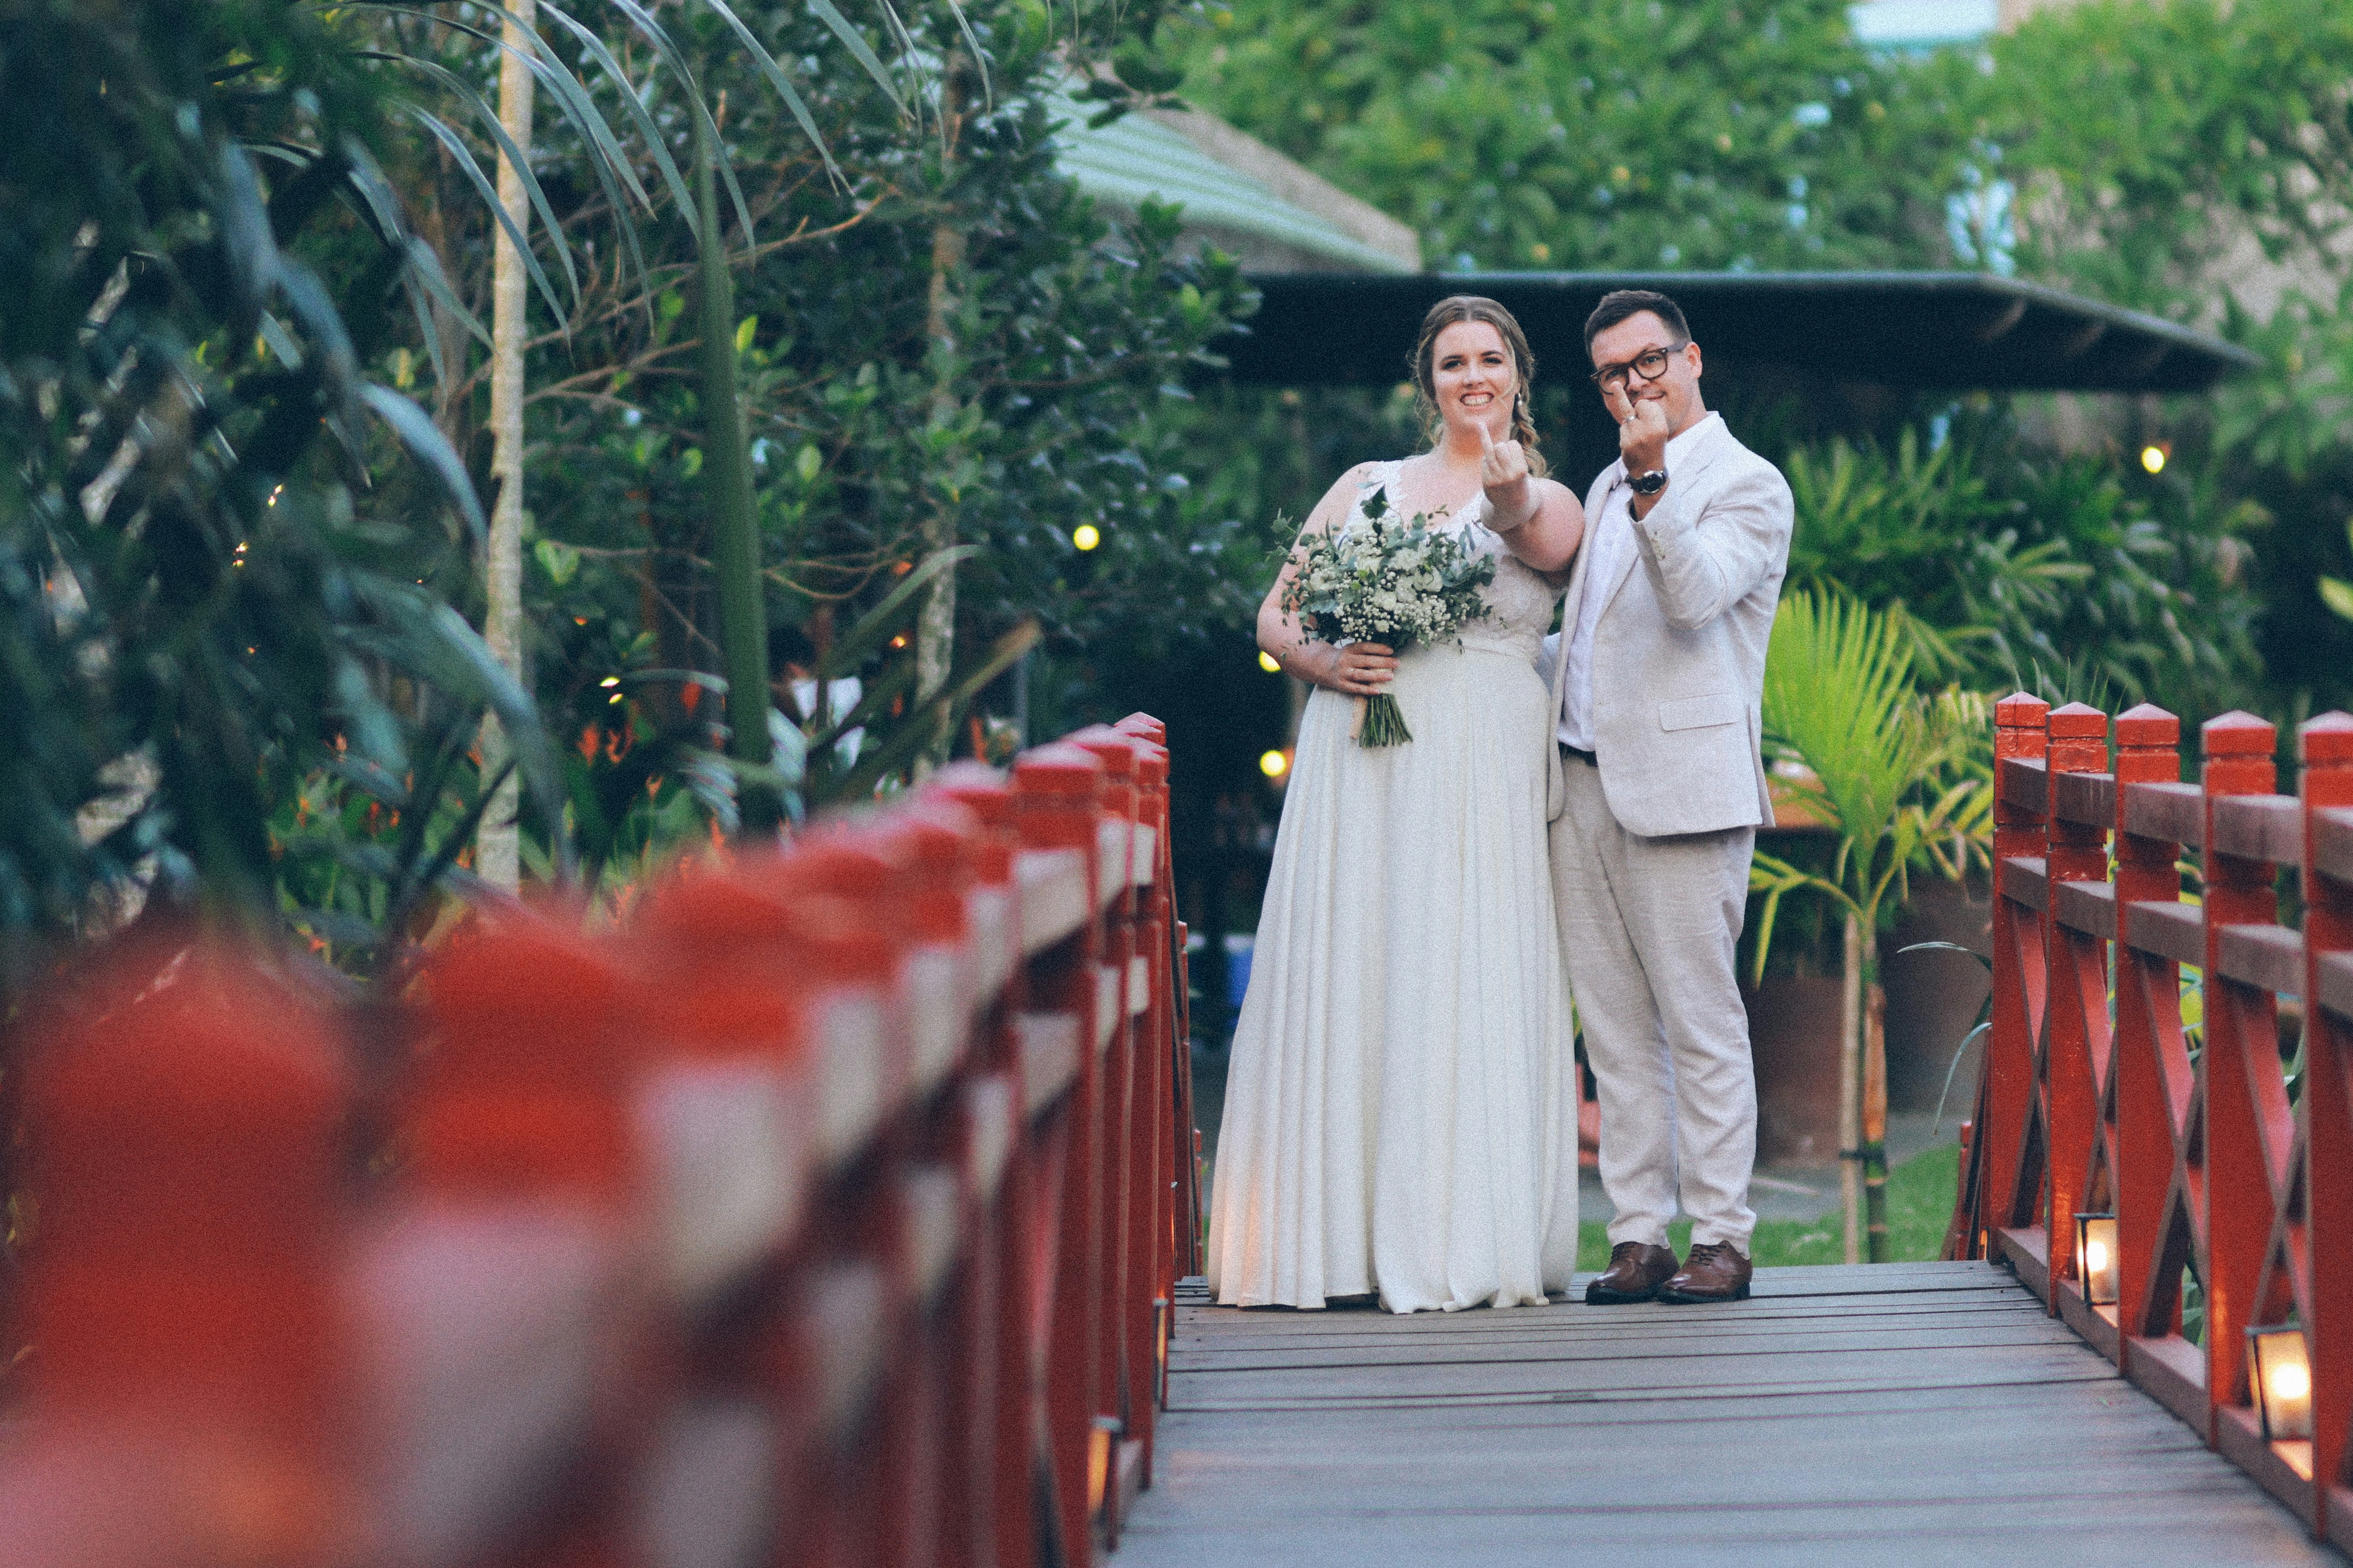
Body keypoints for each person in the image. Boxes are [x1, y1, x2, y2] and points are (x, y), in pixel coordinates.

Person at [1207, 297, 1586, 1313]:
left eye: (1490, 359)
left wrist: (1503, 482)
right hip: (1366, 743)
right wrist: (1331, 659)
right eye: (1454, 361)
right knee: (1367, 955)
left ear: (1517, 373)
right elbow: (1274, 614)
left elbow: (1537, 547)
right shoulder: (1365, 485)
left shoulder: (1548, 496)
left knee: (1459, 959)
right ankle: (1335, 1234)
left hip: (1482, 759)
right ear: (1428, 382)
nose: (1473, 376)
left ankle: (1457, 1227)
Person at [1543, 288, 1794, 1305]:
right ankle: (1638, 1233)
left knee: (1700, 1020)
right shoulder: (1602, 485)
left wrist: (1653, 483)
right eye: (1611, 371)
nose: (1632, 384)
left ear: (1693, 359)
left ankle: (1724, 1236)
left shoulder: (1749, 484)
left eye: (1648, 361)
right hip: (1578, 780)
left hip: (1686, 791)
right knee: (1611, 1030)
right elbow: (1590, 634)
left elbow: (1691, 597)